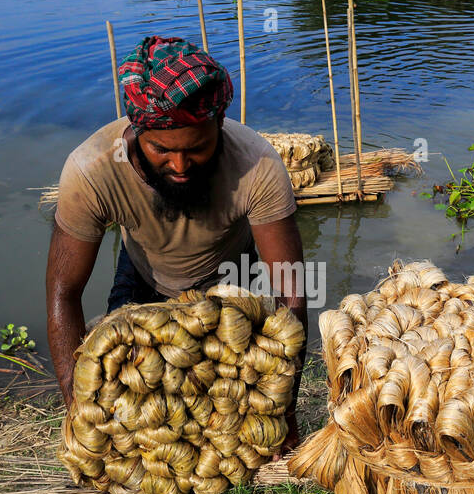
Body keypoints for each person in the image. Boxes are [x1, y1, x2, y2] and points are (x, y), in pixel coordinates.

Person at [46, 35, 307, 452]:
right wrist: (76, 405)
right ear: (137, 130)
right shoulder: (91, 170)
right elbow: (64, 292)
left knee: (233, 413)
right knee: (133, 405)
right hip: (142, 280)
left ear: (219, 125)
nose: (180, 166)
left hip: (233, 281)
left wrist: (284, 405)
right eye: (161, 150)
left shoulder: (258, 165)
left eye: (198, 149)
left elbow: (292, 290)